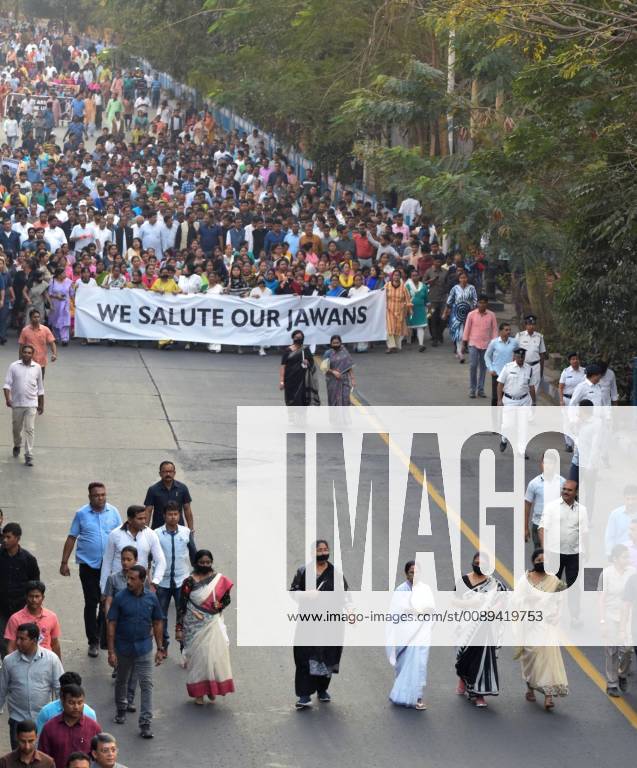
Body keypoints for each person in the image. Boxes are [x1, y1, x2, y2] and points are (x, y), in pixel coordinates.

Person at [60, 483, 122, 658]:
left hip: (109, 566)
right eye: (96, 495)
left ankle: (101, 634)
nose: (100, 498)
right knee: (91, 602)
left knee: (106, 600)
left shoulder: (113, 512)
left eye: (103, 495)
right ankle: (93, 641)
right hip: (88, 566)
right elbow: (72, 537)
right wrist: (64, 562)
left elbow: (121, 535)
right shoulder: (81, 514)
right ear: (90, 497)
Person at [107, 565, 165, 738]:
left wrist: (160, 648)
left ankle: (145, 723)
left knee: (146, 684)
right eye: (128, 578)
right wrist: (111, 651)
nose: (129, 582)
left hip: (144, 648)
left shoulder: (152, 598)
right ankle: (121, 709)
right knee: (122, 680)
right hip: (123, 648)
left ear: (142, 580)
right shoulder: (120, 598)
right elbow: (112, 624)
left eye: (133, 579)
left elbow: (157, 622)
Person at [290, 540, 348, 709]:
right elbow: (293, 592)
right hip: (309, 623)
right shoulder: (303, 571)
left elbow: (345, 594)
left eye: (325, 549)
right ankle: (304, 695)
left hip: (331, 623)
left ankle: (322, 689)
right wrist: (306, 595)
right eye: (319, 550)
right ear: (312, 553)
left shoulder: (335, 573)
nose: (323, 552)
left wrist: (350, 610)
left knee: (328, 656)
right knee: (304, 656)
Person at [175, 549, 234, 705]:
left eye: (208, 562)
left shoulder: (219, 579)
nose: (205, 565)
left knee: (212, 657)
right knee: (197, 659)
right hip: (193, 626)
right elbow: (181, 605)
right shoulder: (189, 582)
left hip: (212, 622)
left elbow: (227, 599)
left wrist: (219, 605)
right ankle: (199, 694)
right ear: (196, 563)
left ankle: (211, 689)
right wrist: (179, 628)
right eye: (202, 562)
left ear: (211, 563)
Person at [514, 548, 569, 710]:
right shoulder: (525, 580)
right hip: (529, 625)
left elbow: (560, 600)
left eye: (545, 561)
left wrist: (557, 615)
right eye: (539, 561)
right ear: (533, 562)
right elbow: (515, 601)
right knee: (530, 659)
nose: (542, 563)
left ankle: (548, 696)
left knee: (548, 659)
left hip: (546, 624)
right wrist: (528, 600)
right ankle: (530, 687)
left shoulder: (554, 580)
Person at [454, 553, 506, 708]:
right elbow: (453, 601)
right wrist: (471, 604)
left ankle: (478, 694)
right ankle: (463, 678)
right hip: (465, 627)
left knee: (481, 661)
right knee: (464, 658)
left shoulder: (495, 585)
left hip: (484, 629)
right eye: (476, 562)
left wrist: (493, 610)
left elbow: (504, 600)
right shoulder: (463, 581)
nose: (478, 566)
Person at [0, 623, 64, 749]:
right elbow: (2, 689)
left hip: (43, 719)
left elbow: (60, 688)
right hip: (17, 720)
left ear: (34, 640)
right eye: (17, 638)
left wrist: (60, 715)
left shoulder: (51, 659)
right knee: (18, 756)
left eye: (22, 639)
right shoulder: (9, 661)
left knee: (42, 755)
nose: (18, 642)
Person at [538, 480, 588, 625]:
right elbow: (542, 529)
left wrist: (586, 550)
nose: (565, 491)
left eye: (569, 490)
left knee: (574, 586)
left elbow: (584, 532)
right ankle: (548, 613)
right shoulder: (551, 507)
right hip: (554, 553)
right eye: (564, 489)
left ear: (576, 492)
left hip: (574, 555)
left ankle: (574, 616)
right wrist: (545, 550)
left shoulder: (582, 510)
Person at [386, 561, 433, 710]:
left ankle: (417, 698)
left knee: (419, 667)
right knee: (403, 666)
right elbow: (395, 613)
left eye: (417, 572)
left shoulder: (426, 589)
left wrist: (422, 612)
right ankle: (400, 694)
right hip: (405, 635)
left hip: (421, 634)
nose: (415, 575)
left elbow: (431, 609)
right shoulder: (401, 590)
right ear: (406, 574)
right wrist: (412, 611)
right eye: (412, 572)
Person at [100, 506, 166, 596]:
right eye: (140, 519)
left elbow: (160, 560)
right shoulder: (115, 534)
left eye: (145, 518)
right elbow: (107, 562)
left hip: (141, 586)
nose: (144, 521)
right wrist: (103, 589)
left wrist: (155, 581)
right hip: (118, 585)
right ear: (130, 520)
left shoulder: (151, 534)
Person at [156, 503, 195, 652]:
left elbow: (193, 554)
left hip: (182, 581)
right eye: (170, 514)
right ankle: (163, 645)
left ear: (179, 515)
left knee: (184, 614)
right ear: (164, 516)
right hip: (162, 582)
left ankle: (184, 648)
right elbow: (151, 556)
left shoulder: (186, 532)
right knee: (161, 616)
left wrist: (197, 575)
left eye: (176, 514)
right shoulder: (156, 534)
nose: (173, 517)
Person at [598, 545, 635, 697]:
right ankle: (612, 683)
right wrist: (602, 621)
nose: (628, 559)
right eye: (624, 557)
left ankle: (622, 674)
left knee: (628, 649)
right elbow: (601, 598)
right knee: (611, 651)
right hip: (610, 616)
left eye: (628, 556)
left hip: (628, 617)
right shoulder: (606, 574)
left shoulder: (632, 573)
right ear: (615, 558)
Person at [0, 523, 40, 657]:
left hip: (21, 608)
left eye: (8, 537)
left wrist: (34, 606)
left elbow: (35, 585)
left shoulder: (28, 560)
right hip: (2, 608)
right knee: (3, 641)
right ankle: (7, 665)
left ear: (17, 538)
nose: (4, 540)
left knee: (23, 639)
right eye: (3, 537)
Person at [38, 684, 102, 768]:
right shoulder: (49, 728)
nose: (76, 707)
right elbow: (42, 758)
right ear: (62, 702)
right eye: (71, 703)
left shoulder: (93, 728)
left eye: (80, 703)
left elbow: (99, 758)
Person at [3, 343, 44, 467]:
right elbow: (7, 385)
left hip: (31, 403)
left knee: (30, 429)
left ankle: (28, 455)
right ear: (21, 353)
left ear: (32, 354)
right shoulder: (14, 366)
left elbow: (40, 388)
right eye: (25, 352)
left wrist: (41, 404)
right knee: (16, 429)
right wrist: (8, 399)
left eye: (29, 353)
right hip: (17, 403)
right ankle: (17, 445)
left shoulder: (37, 367)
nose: (27, 354)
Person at [4, 581, 61, 659]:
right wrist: (13, 663)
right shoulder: (15, 619)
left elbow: (55, 644)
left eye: (37, 596)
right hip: (23, 660)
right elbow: (11, 646)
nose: (34, 600)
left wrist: (59, 663)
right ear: (26, 597)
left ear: (43, 597)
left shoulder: (52, 617)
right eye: (31, 596)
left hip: (46, 661)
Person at [497, 347, 536, 456]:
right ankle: (504, 439)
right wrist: (499, 400)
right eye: (518, 357)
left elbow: (531, 386)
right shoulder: (507, 367)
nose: (521, 359)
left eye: (522, 357)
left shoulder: (529, 369)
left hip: (524, 401)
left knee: (523, 427)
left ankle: (521, 450)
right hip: (509, 401)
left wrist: (534, 402)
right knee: (507, 425)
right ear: (514, 356)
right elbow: (500, 384)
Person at [524, 455, 566, 548]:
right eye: (544, 463)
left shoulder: (563, 483)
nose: (547, 466)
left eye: (550, 463)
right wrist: (525, 528)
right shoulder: (534, 483)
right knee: (540, 554)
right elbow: (527, 505)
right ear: (541, 464)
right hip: (538, 524)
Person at [462, 294, 498, 398]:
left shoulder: (491, 315)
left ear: (487, 304)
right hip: (473, 343)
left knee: (483, 367)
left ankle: (481, 389)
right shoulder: (471, 314)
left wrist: (495, 344)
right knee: (473, 365)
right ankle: (472, 389)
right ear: (477, 303)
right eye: (480, 303)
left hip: (486, 345)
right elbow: (467, 328)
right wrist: (464, 342)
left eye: (484, 303)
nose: (482, 305)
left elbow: (494, 330)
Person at [143, 460, 194, 531]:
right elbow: (148, 511)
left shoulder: (182, 488)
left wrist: (191, 529)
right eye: (165, 472)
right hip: (158, 529)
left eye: (170, 471)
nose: (168, 474)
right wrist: (145, 531)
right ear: (160, 473)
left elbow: (187, 509)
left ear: (174, 473)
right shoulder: (153, 490)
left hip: (178, 530)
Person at [280, 331, 320, 406]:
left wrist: (307, 362)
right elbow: (283, 366)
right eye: (297, 337)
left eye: (300, 338)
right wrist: (282, 381)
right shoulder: (288, 351)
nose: (298, 339)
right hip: (290, 380)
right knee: (291, 400)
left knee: (301, 400)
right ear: (293, 338)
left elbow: (311, 363)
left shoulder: (305, 349)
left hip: (302, 381)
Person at [445, 271, 477, 363]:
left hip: (469, 313)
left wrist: (474, 310)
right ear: (459, 279)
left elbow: (475, 300)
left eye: (465, 278)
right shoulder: (455, 288)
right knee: (459, 333)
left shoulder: (472, 288)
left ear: (467, 278)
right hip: (456, 313)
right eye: (461, 278)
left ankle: (463, 349)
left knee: (468, 332)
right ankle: (460, 352)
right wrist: (446, 311)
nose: (463, 279)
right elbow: (449, 300)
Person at [18, 309, 57, 378]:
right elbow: (21, 345)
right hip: (28, 361)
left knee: (40, 381)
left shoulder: (45, 329)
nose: (37, 319)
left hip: (41, 362)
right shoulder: (25, 330)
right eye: (34, 317)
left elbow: (52, 343)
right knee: (28, 381)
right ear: (30, 318)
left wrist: (54, 354)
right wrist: (20, 359)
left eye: (38, 317)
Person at [558, 353, 585, 451]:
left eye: (576, 359)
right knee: (567, 421)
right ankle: (568, 444)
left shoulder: (584, 371)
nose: (575, 361)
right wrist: (561, 400)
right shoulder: (566, 372)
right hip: (567, 400)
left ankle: (578, 443)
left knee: (578, 421)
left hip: (579, 401)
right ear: (570, 361)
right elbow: (561, 387)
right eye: (573, 359)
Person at [484, 322, 514, 406]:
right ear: (500, 331)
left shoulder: (514, 342)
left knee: (507, 397)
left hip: (510, 374)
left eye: (509, 330)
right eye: (506, 330)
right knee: (495, 398)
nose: (508, 332)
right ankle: (494, 415)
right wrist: (491, 368)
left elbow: (520, 353)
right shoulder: (494, 342)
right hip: (497, 374)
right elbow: (487, 356)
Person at [321, 334, 356, 406]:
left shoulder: (344, 352)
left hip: (344, 381)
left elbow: (349, 366)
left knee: (345, 398)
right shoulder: (328, 353)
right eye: (334, 343)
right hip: (332, 380)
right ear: (331, 343)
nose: (336, 344)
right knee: (334, 400)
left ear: (340, 343)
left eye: (337, 343)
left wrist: (352, 379)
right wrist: (333, 372)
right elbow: (324, 367)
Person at [514, 314, 547, 389]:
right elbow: (515, 353)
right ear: (526, 325)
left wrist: (541, 371)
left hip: (536, 367)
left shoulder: (540, 337)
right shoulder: (519, 335)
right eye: (529, 324)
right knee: (522, 387)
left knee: (534, 389)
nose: (531, 326)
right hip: (523, 365)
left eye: (533, 324)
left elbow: (542, 354)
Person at [605, 485, 637, 558]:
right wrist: (610, 553)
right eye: (628, 499)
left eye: (633, 499)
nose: (630, 502)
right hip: (620, 556)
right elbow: (610, 536)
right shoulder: (615, 514)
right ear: (624, 498)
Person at [385, 271, 412, 352]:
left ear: (400, 277)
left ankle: (396, 346)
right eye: (395, 275)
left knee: (397, 328)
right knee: (390, 328)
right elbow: (381, 295)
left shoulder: (404, 287)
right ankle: (391, 346)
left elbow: (408, 300)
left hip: (400, 310)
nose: (396, 276)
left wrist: (409, 310)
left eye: (398, 275)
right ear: (392, 276)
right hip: (389, 309)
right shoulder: (387, 285)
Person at [47, 268, 73, 346]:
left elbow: (72, 293)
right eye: (63, 273)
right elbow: (49, 293)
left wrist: (75, 288)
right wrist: (56, 296)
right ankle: (57, 337)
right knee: (55, 320)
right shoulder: (52, 281)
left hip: (65, 304)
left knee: (65, 321)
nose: (65, 275)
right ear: (58, 275)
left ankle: (65, 338)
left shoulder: (68, 281)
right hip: (56, 304)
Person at [405, 271, 429, 351]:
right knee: (409, 326)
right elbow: (404, 298)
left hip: (421, 309)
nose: (415, 277)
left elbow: (426, 298)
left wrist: (428, 306)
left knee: (420, 326)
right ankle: (408, 343)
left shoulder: (424, 286)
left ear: (419, 276)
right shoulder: (407, 286)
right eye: (413, 275)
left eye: (416, 275)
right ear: (411, 277)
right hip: (410, 309)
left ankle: (421, 344)